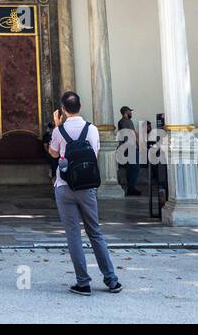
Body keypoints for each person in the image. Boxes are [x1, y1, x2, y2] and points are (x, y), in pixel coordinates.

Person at [48, 91, 121, 296]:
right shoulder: (92, 129)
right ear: (80, 107)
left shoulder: (59, 131)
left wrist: (57, 126)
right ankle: (111, 279)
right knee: (95, 232)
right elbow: (95, 153)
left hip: (64, 187)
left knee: (73, 235)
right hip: (87, 187)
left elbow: (53, 153)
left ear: (62, 110)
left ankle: (83, 282)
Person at [117, 106, 142, 196]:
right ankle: (131, 188)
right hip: (131, 147)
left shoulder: (120, 122)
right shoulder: (128, 121)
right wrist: (140, 145)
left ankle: (130, 187)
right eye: (130, 112)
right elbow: (133, 134)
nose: (131, 113)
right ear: (126, 113)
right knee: (135, 168)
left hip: (126, 147)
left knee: (130, 168)